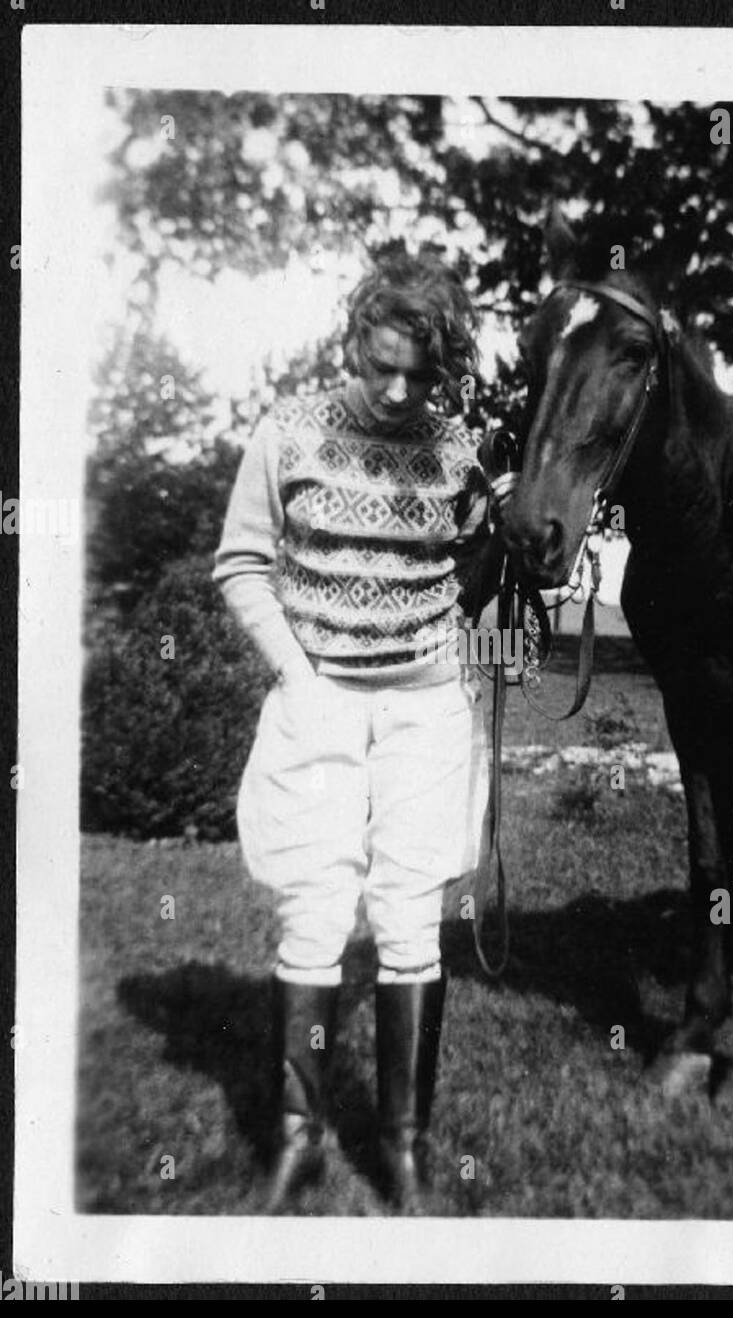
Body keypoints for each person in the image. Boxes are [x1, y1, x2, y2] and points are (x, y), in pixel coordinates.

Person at [213, 250, 509, 1213]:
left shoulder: (457, 448)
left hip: (426, 705)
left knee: (409, 918)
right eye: (380, 364)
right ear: (353, 341)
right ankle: (296, 1140)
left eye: (418, 375)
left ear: (443, 368)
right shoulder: (287, 432)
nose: (396, 389)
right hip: (319, 701)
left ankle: (402, 1149)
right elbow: (242, 563)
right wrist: (298, 676)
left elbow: (473, 560)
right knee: (313, 912)